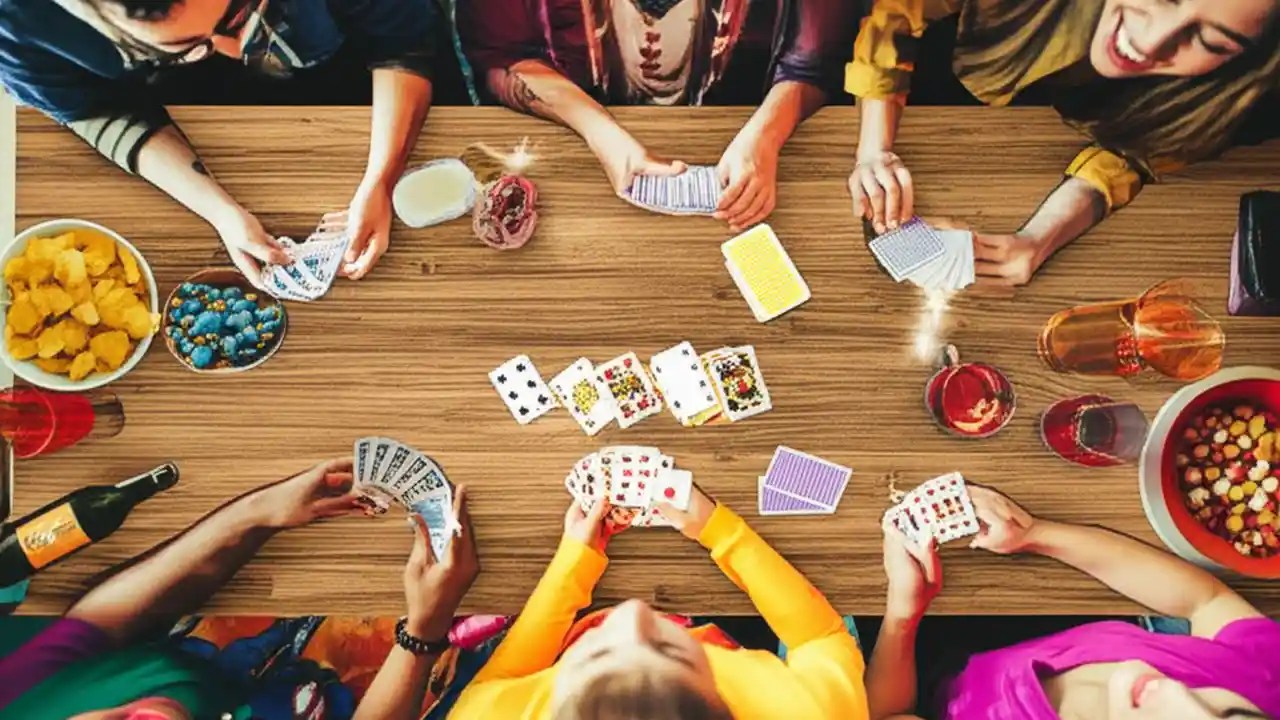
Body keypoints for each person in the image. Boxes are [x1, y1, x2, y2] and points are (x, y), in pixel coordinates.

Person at [0, 0, 441, 286]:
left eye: (241, 11)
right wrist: (220, 211)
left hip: (350, 77)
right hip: (187, 115)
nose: (237, 49)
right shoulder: (14, 22)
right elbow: (95, 109)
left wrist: (381, 179)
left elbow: (403, 38)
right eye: (186, 46)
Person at [845, 0, 1280, 285]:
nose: (1149, 43)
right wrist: (873, 148)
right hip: (930, 95)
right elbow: (897, 16)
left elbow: (1136, 157)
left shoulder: (1243, 102)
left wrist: (1038, 239)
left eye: (1209, 41)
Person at [355, 488, 869, 718]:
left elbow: (503, 679)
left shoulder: (487, 716)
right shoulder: (812, 711)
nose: (630, 614)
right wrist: (718, 529)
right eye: (666, 650)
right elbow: (820, 637)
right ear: (717, 696)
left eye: (601, 650)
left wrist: (575, 563)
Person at [0, 457, 403, 719]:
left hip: (209, 663)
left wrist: (255, 514)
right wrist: (421, 634)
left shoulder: (17, 701)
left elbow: (98, 624)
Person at [867, 484, 1280, 720]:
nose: (1170, 691)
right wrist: (1034, 535)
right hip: (1053, 623)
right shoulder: (1268, 684)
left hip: (929, 681)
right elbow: (1205, 601)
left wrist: (903, 613)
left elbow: (886, 717)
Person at [456, 0, 859, 232]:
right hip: (575, 179)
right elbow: (502, 58)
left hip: (775, 168)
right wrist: (599, 132)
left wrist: (767, 134)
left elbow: (816, 62)